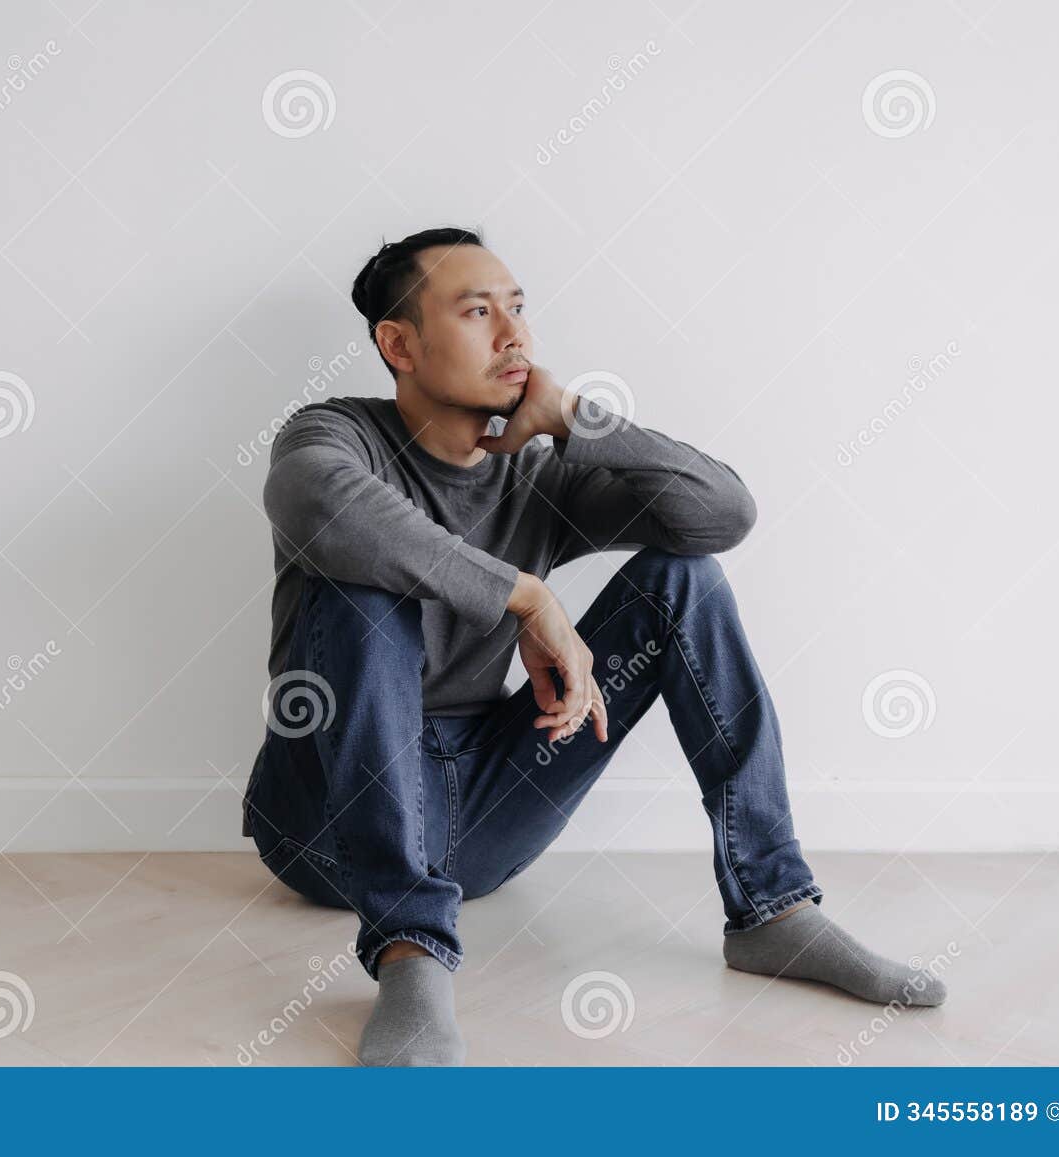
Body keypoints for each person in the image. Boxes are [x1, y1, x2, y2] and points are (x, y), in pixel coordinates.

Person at [243, 226, 947, 1066]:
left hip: (484, 811)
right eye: (476, 311)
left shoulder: (539, 472)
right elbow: (316, 500)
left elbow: (723, 514)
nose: (514, 335)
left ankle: (774, 911)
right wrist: (528, 597)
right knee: (359, 584)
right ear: (398, 343)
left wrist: (578, 418)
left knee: (685, 577)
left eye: (518, 308)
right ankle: (410, 954)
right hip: (325, 824)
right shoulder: (332, 436)